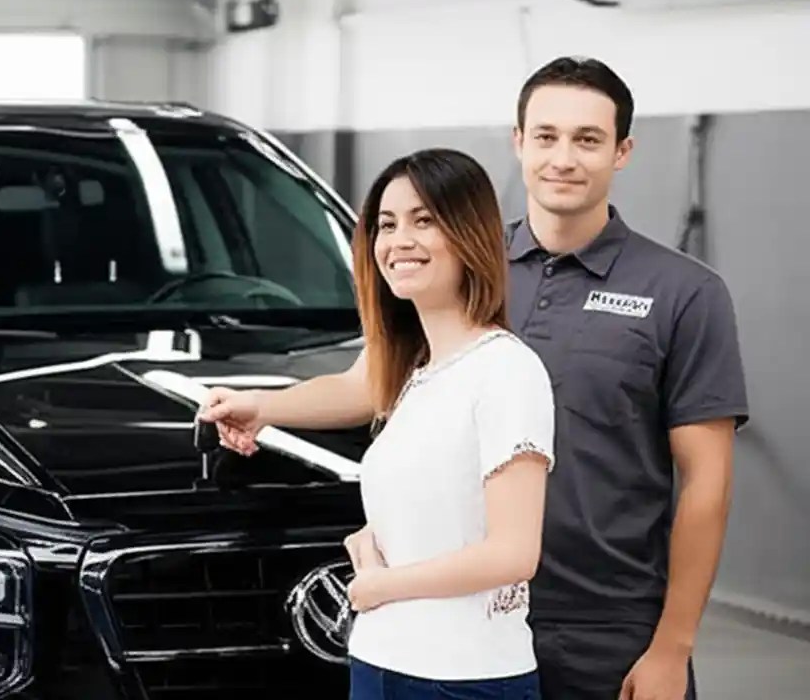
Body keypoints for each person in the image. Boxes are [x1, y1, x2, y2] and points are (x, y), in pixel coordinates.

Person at [198, 148, 556, 699]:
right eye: (387, 225)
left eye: (423, 221)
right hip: (380, 661)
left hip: (463, 678)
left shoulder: (506, 370)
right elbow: (355, 388)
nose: (398, 241)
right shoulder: (417, 367)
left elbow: (513, 554)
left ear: (469, 234)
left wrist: (381, 586)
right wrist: (262, 407)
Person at [507, 56, 748, 700]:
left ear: (622, 152)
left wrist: (672, 646)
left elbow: (707, 481)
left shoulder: (685, 292)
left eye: (588, 139)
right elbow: (380, 386)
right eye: (546, 136)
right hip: (469, 612)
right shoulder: (467, 273)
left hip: (610, 628)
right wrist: (270, 406)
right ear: (519, 142)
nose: (563, 158)